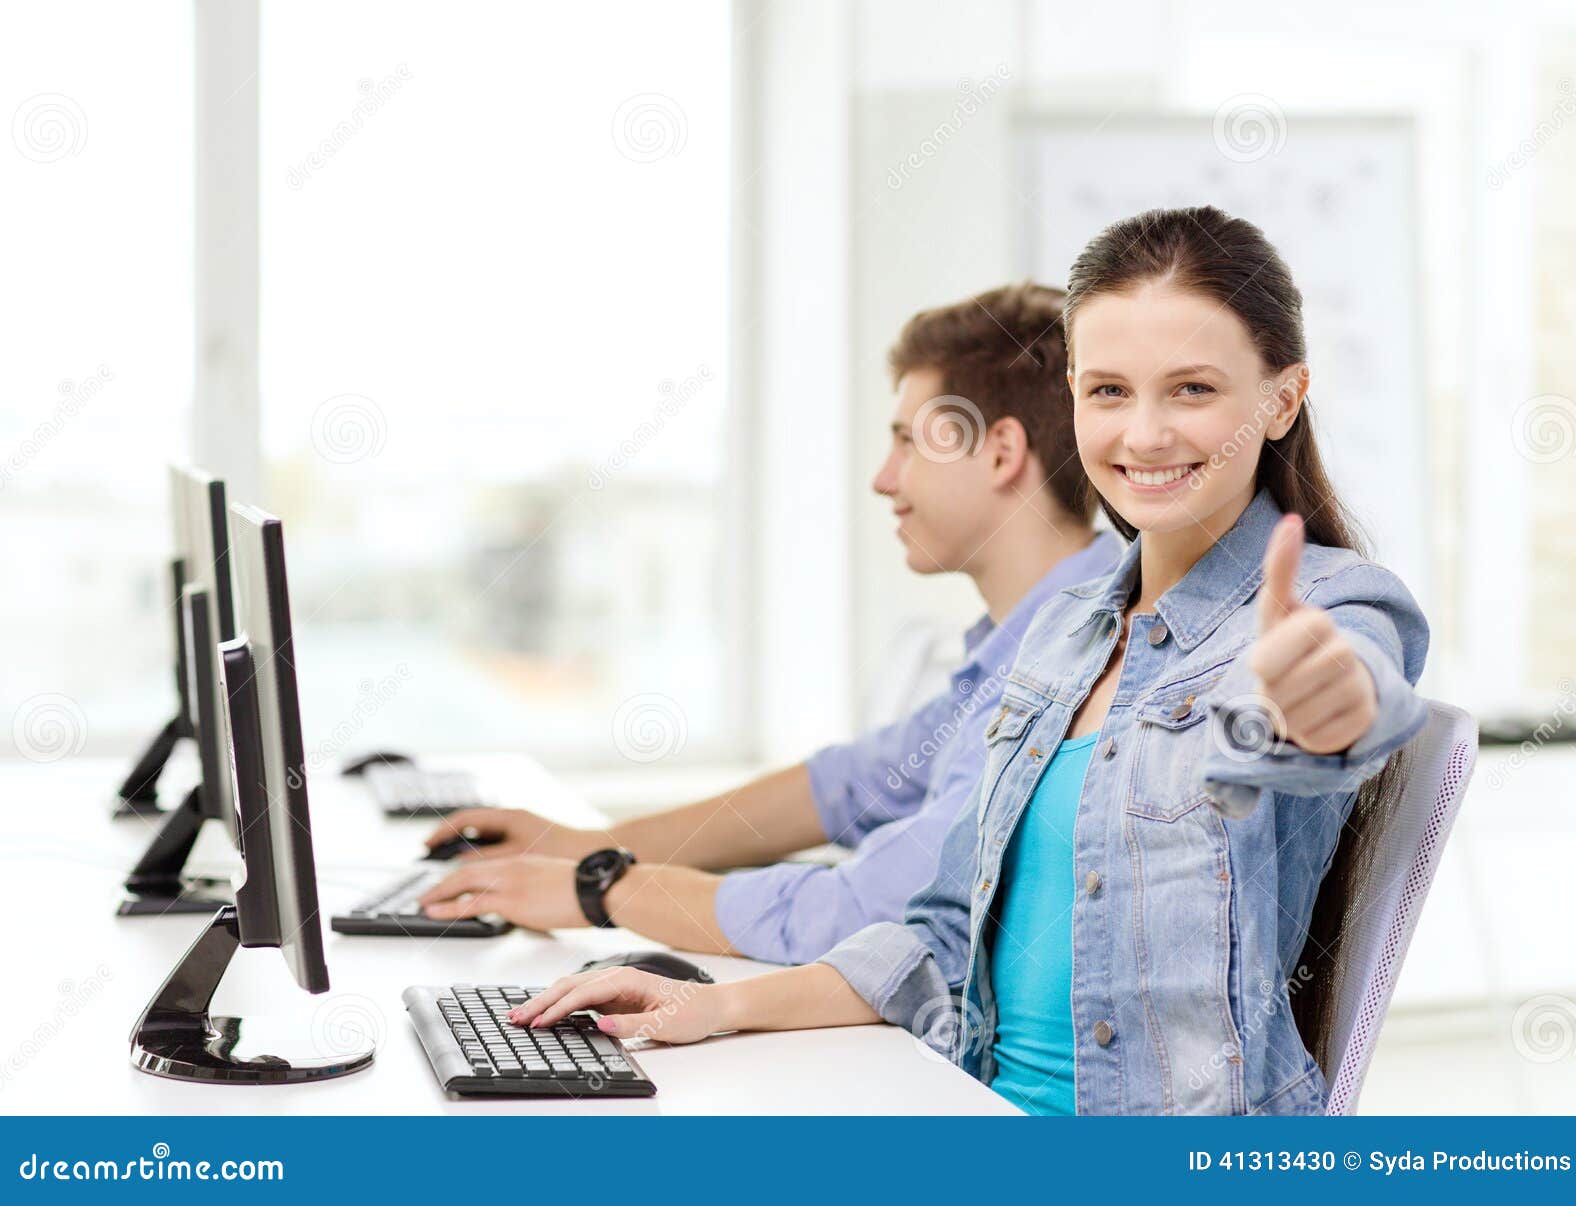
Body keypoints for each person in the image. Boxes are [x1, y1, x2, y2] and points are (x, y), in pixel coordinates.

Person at [503, 206, 1431, 1118]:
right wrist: (716, 1005)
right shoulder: (1064, 631)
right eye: (1108, 391)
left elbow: (1357, 707)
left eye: (1192, 390)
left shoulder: (1331, 605)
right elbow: (941, 931)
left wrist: (1325, 703)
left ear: (1282, 398)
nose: (1144, 434)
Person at [419, 283, 1123, 962]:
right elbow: (846, 785)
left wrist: (602, 889)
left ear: (1000, 452)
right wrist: (583, 845)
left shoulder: (1078, 660)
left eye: (908, 441)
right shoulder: (1021, 643)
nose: (884, 478)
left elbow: (863, 911)